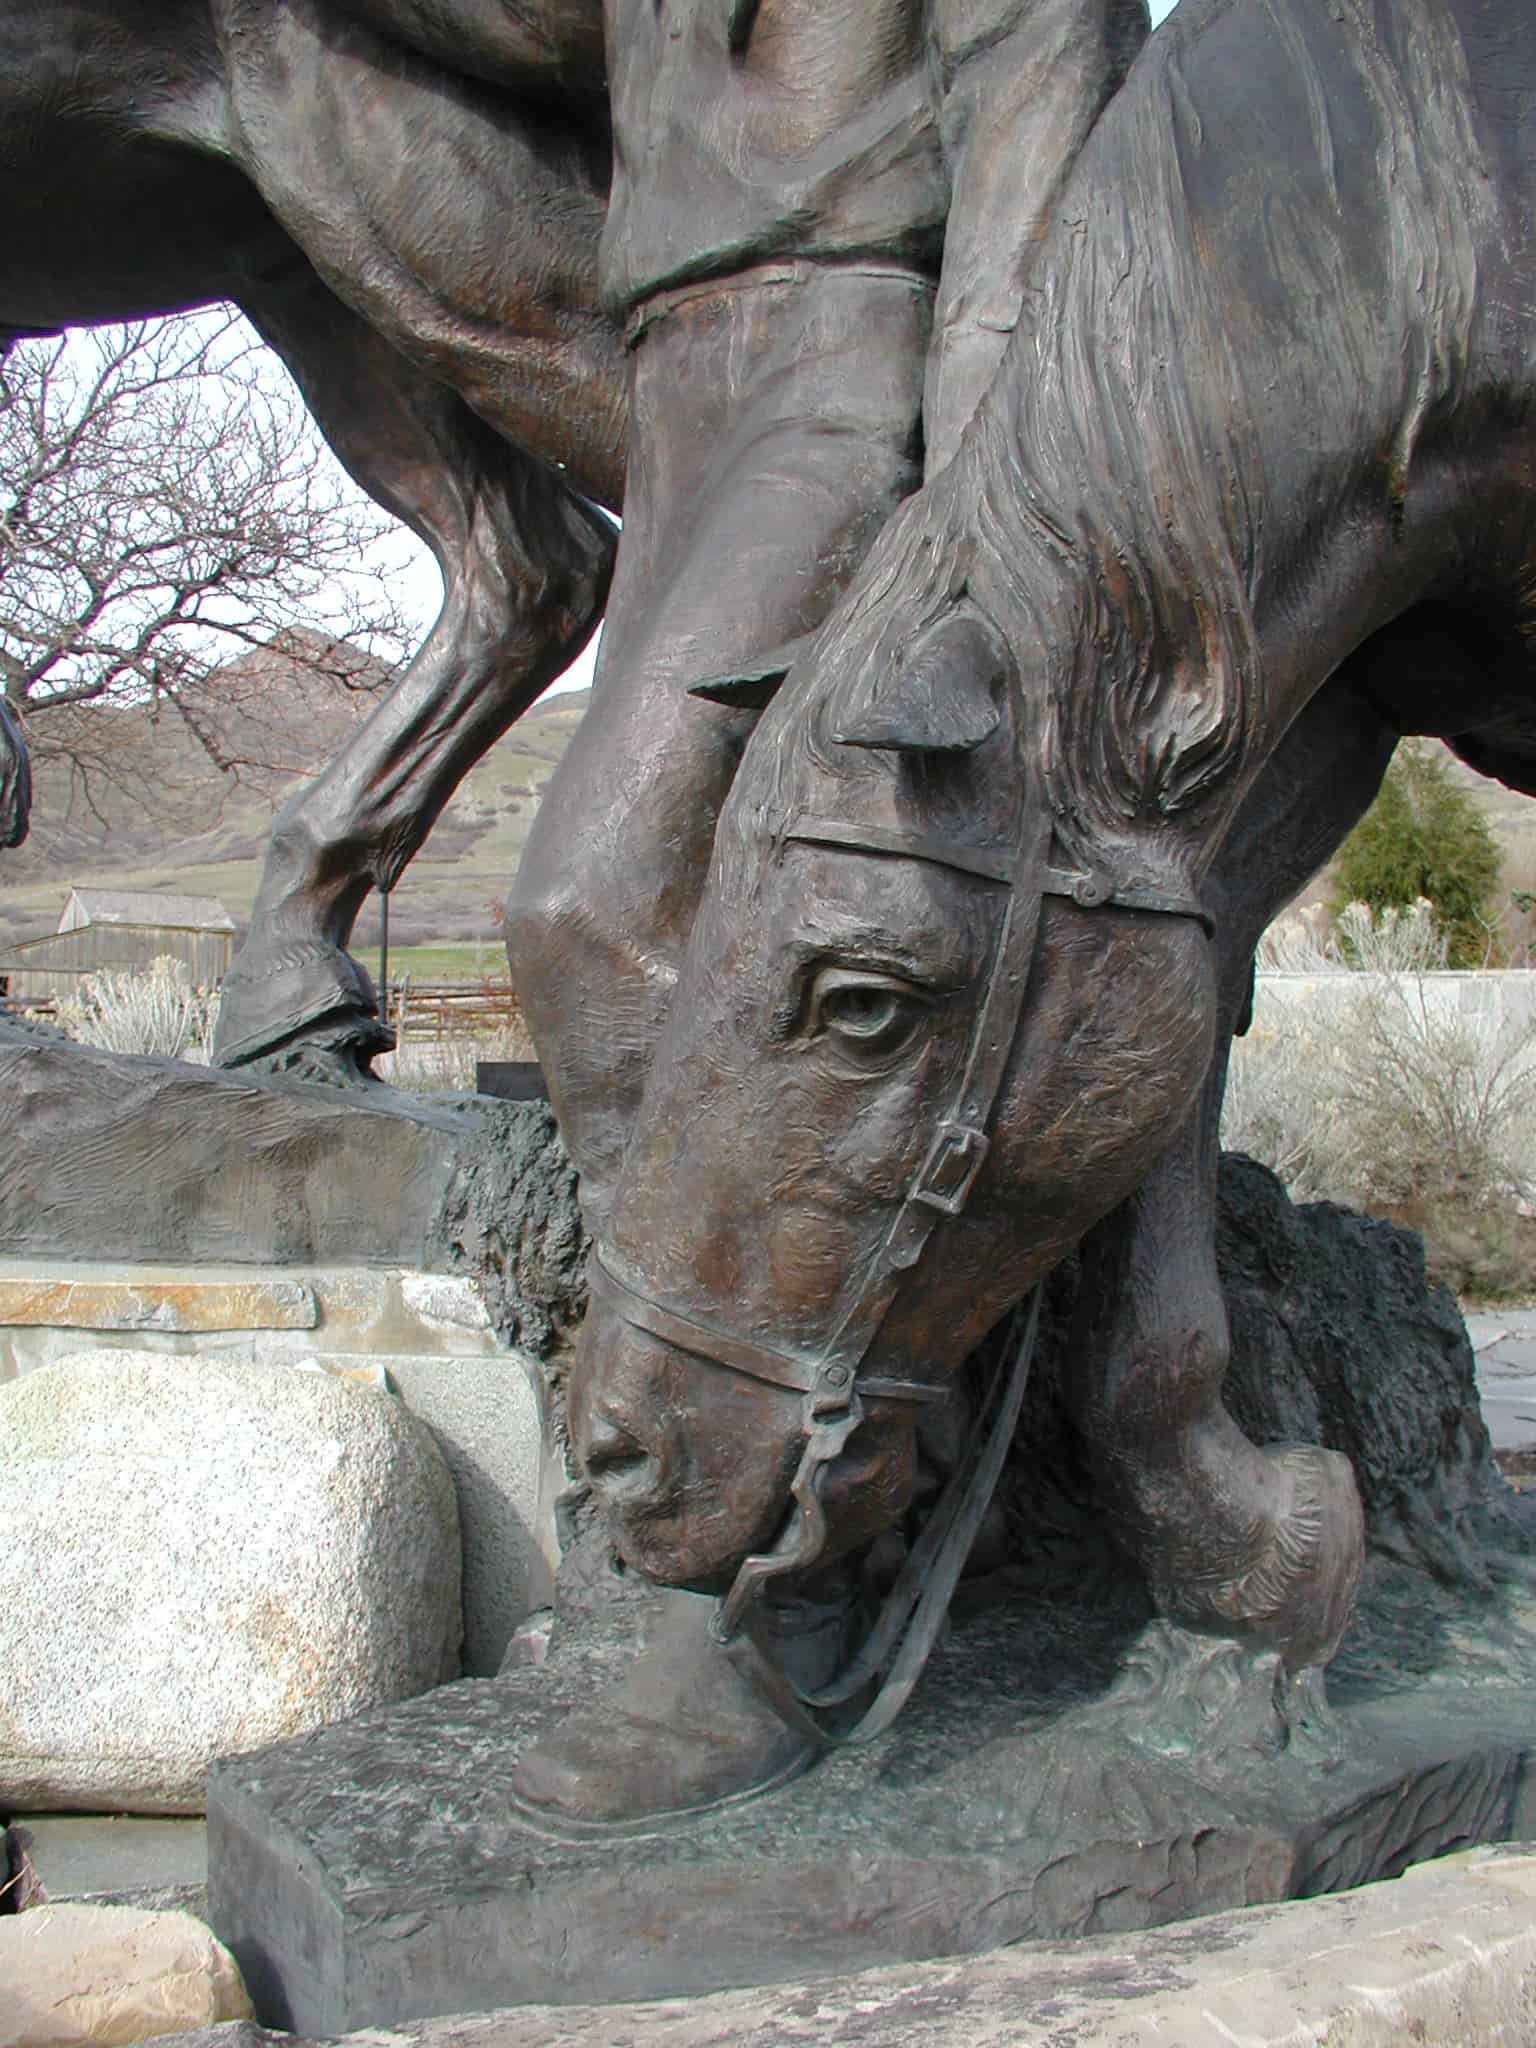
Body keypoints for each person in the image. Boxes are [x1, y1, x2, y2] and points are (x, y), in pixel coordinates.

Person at [506, 0, 1150, 1829]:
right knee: (666, 924)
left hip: (851, 354)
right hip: (674, 384)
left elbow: (1039, 65)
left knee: (593, 908)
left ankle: (779, 1576)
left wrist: (983, 510)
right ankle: (686, 1496)